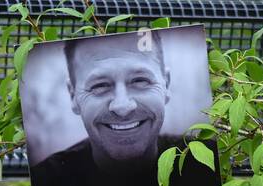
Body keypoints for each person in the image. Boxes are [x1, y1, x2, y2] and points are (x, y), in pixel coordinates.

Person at [34, 31, 174, 177]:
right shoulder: (45, 180)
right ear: (73, 95)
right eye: (100, 85)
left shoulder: (198, 164)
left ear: (167, 85)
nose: (122, 107)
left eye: (140, 81)